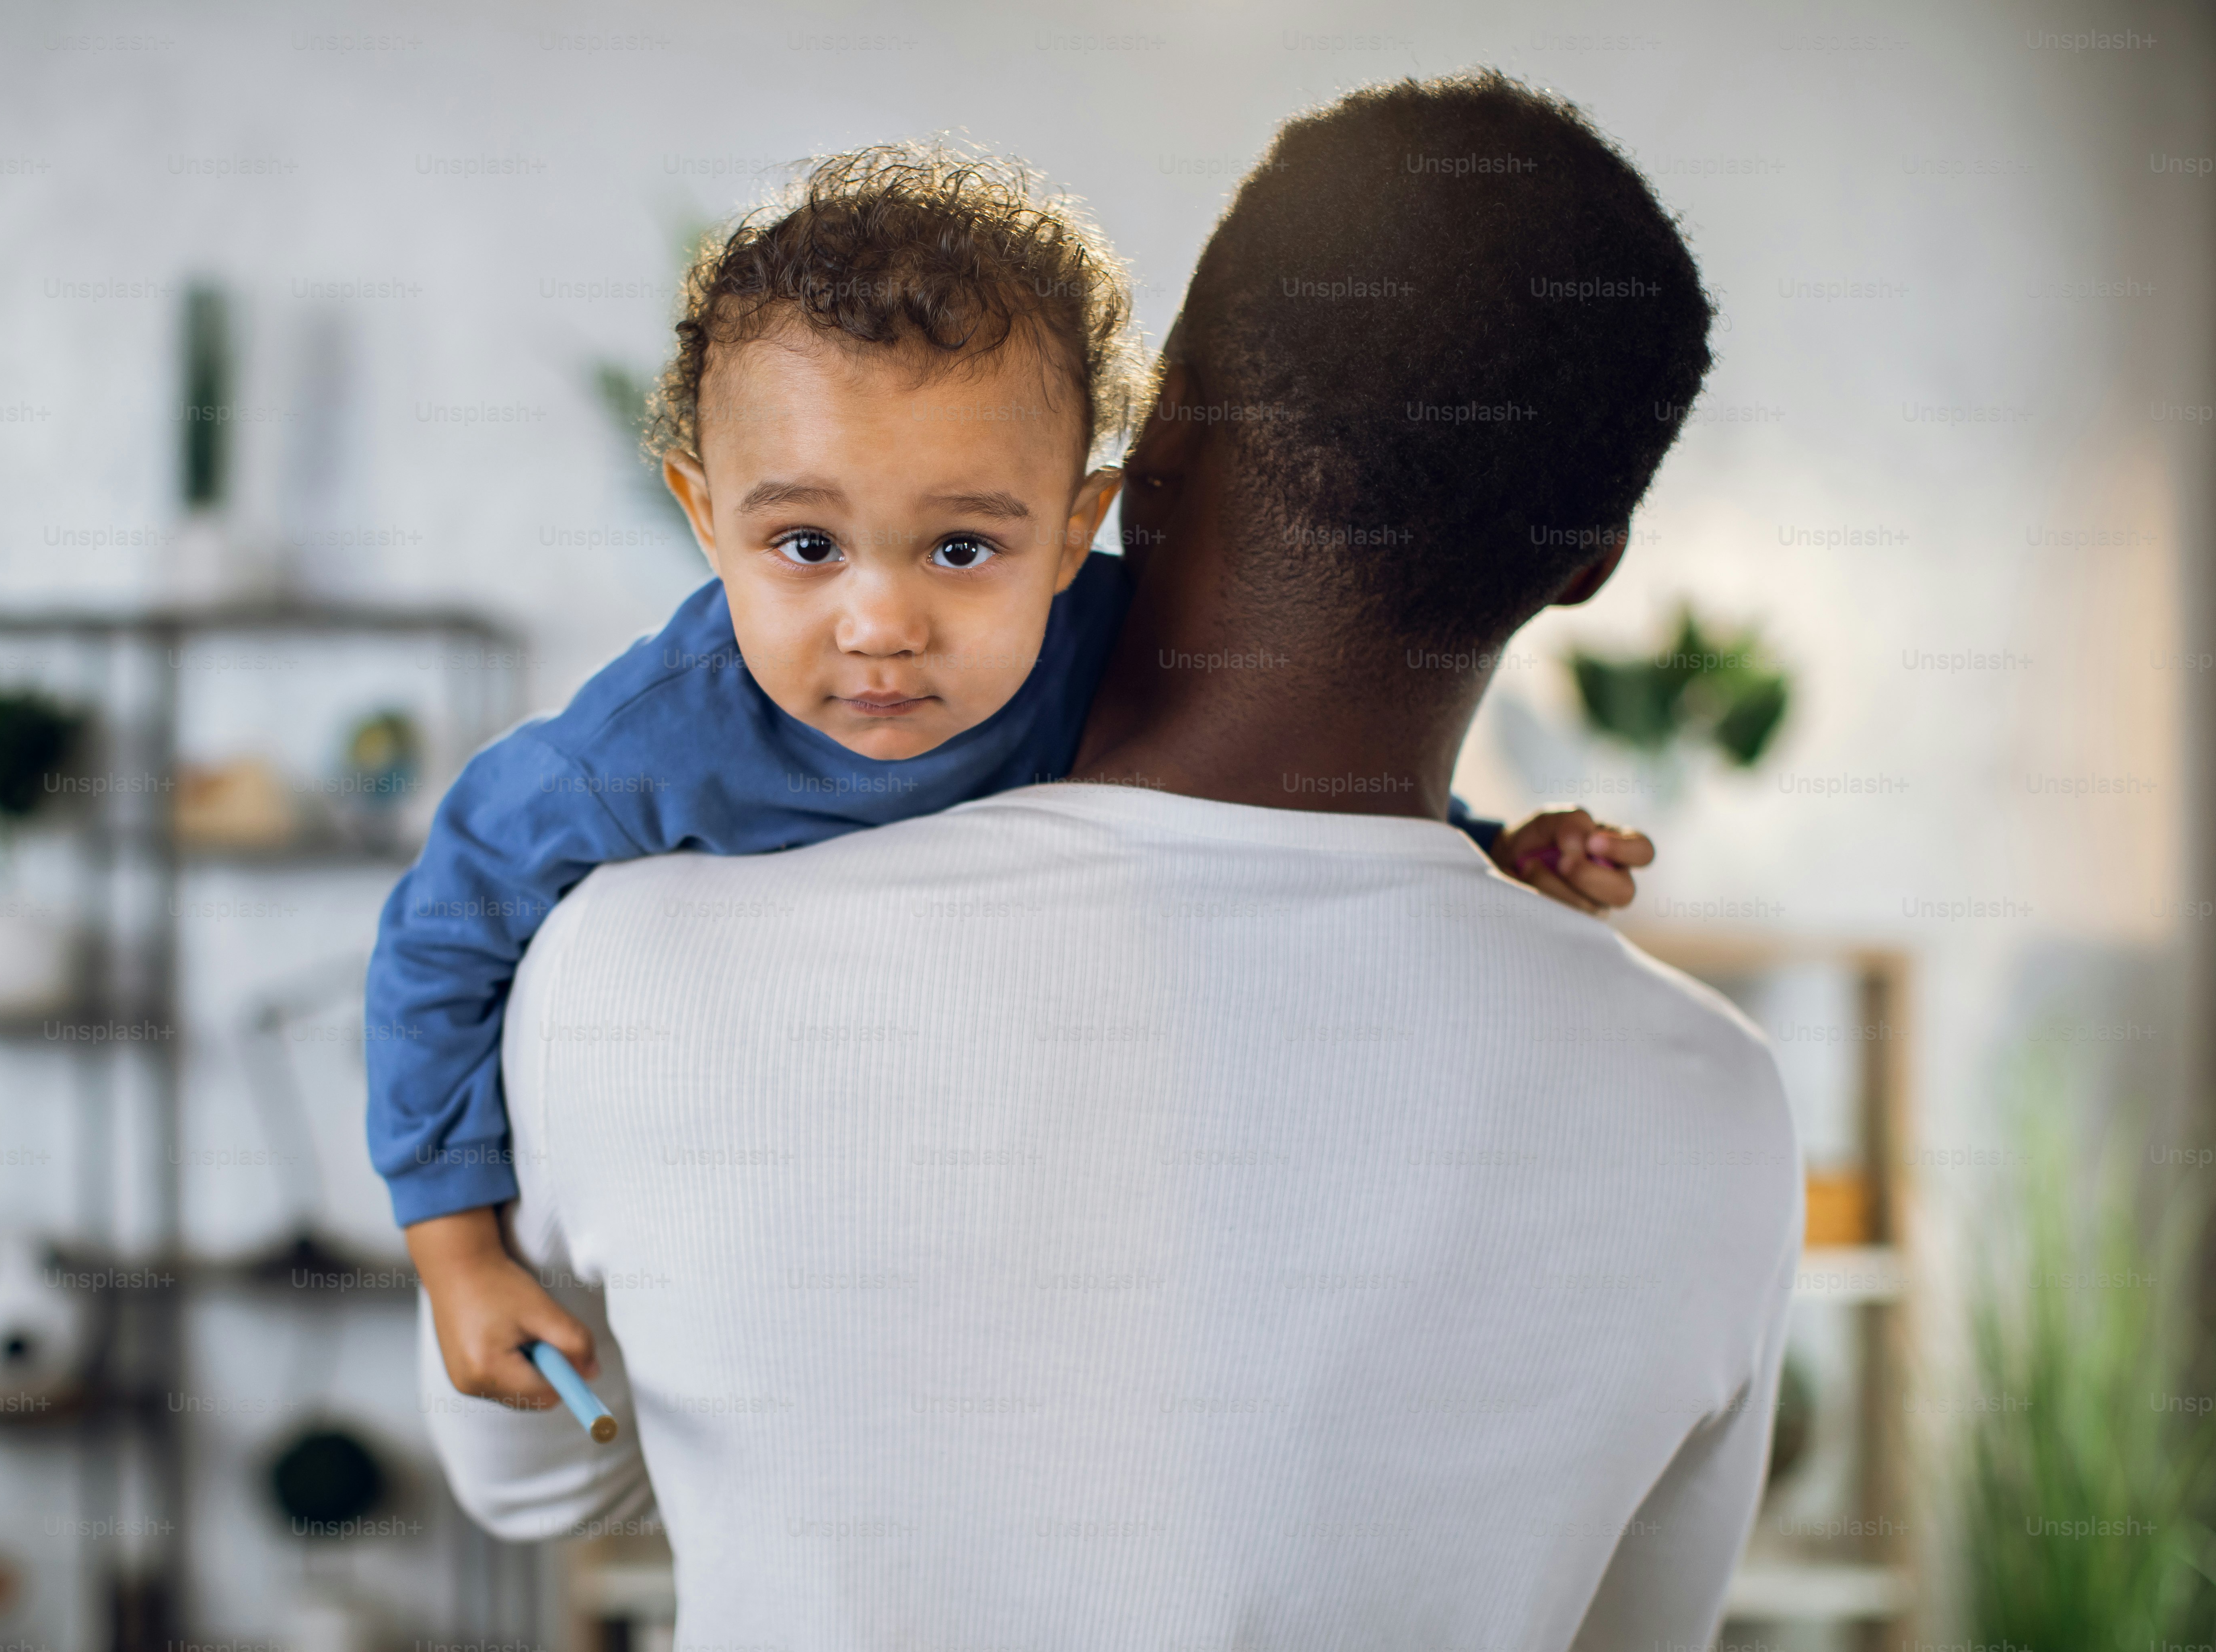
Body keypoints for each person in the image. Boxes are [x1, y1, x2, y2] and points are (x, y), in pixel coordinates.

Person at [422, 71, 1797, 1648]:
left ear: (1133, 450)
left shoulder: (638, 956)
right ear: (1586, 565)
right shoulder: (1709, 1101)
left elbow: (533, 1476)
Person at [368, 143, 1653, 1399]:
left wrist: (1485, 849)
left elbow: (1315, 795)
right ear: (707, 519)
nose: (881, 623)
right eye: (807, 543)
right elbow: (440, 936)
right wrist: (458, 1249)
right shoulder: (637, 749)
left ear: (1074, 528)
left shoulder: (1109, 647)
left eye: (963, 546)